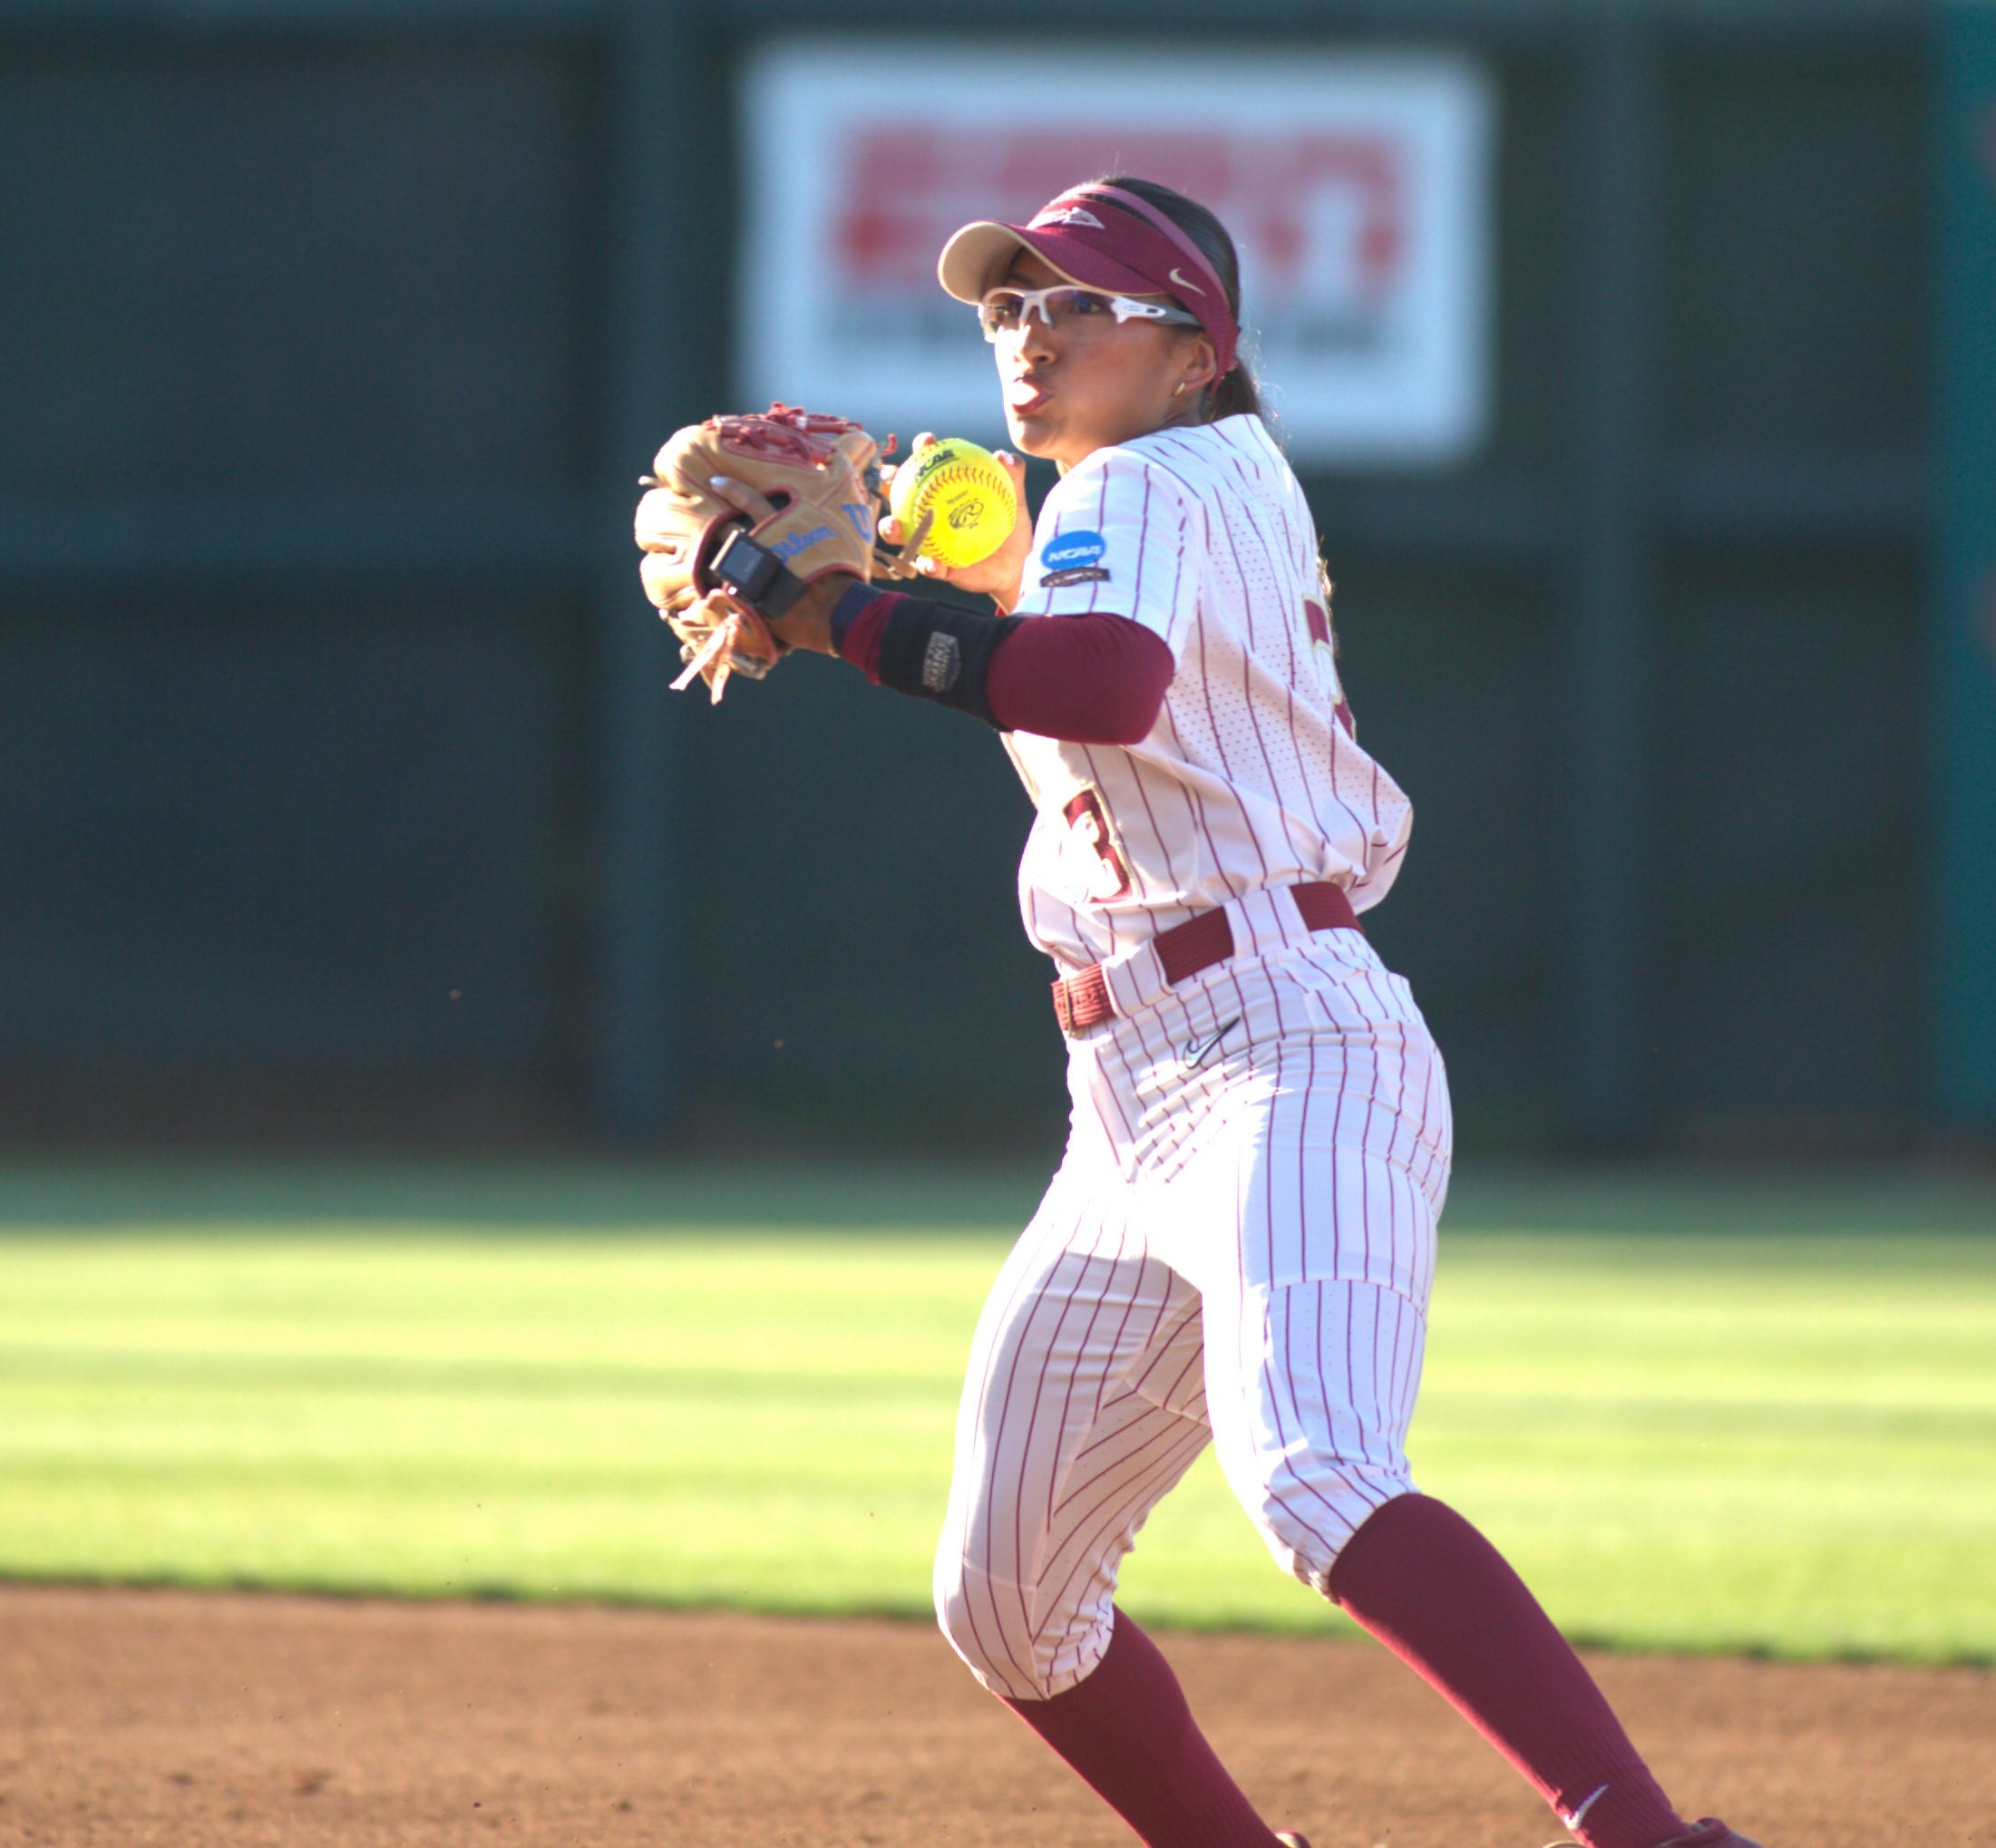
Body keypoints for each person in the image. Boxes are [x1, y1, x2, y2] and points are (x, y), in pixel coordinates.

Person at [676, 178, 1759, 1848]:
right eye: (1005, 308)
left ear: (1196, 353)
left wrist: (843, 611)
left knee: (1317, 1470)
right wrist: (918, 541)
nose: (1027, 336)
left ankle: (1653, 1839)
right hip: (1130, 1092)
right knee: (1005, 1595)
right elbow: (1065, 615)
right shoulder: (1167, 488)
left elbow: (1099, 682)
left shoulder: (1149, 476)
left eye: (1076, 307)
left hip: (1284, 1047)